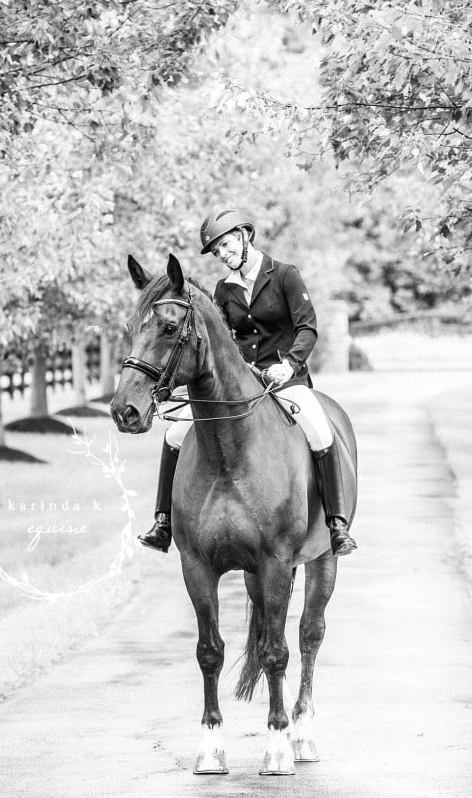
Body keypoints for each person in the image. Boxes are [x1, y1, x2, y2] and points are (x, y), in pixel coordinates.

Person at [139, 207, 358, 557]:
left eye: (226, 245)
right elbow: (222, 342)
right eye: (217, 252)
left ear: (244, 236)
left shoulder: (285, 275)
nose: (223, 254)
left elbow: (307, 328)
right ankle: (163, 522)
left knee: (320, 430)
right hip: (244, 385)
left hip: (287, 381)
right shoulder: (223, 290)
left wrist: (289, 365)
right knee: (174, 434)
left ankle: (336, 523)